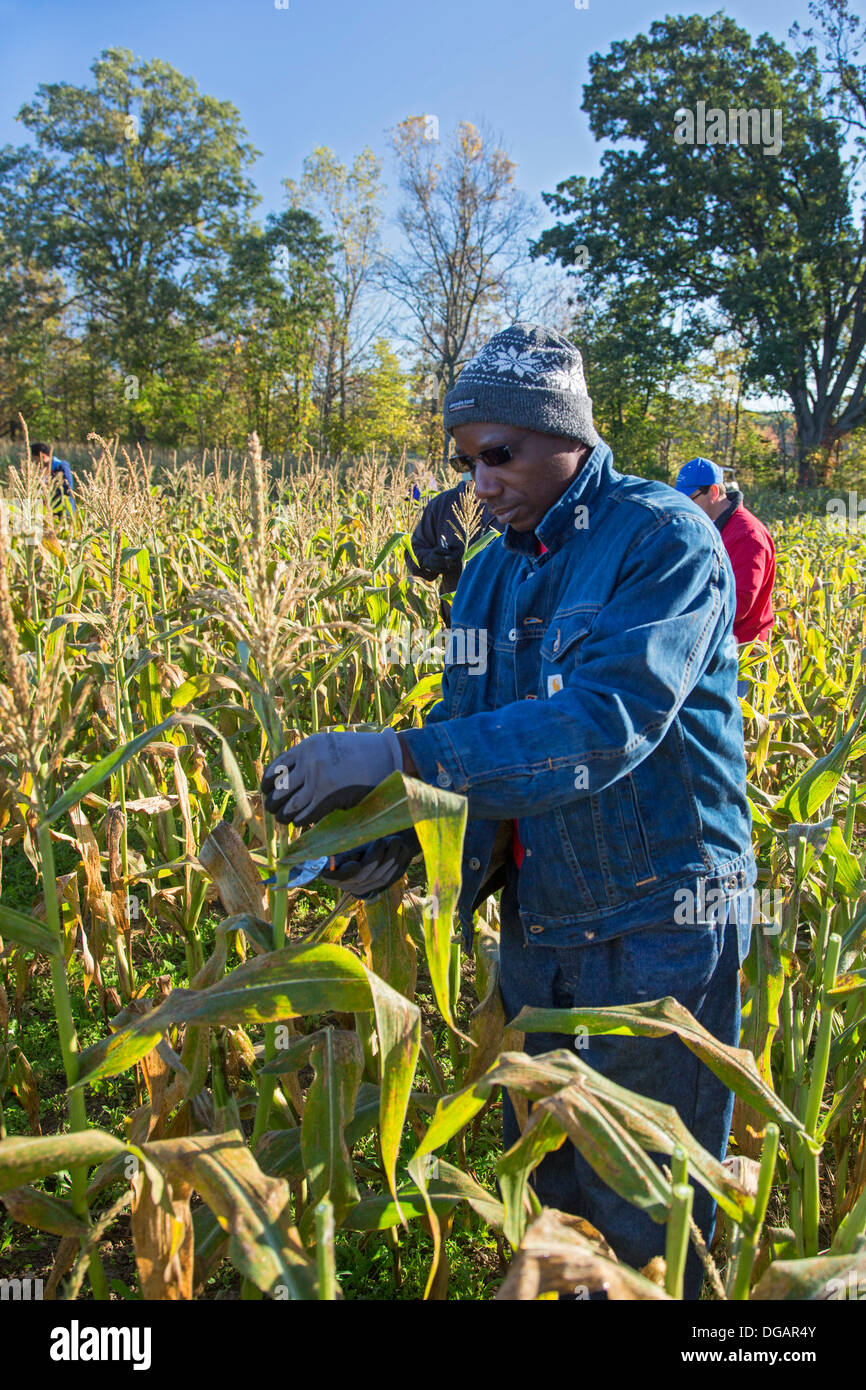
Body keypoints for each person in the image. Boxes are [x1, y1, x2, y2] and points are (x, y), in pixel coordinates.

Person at [261, 323, 756, 1299]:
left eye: (500, 453)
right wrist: (400, 837)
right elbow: (470, 730)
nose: (477, 481)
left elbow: (603, 724)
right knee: (547, 1191)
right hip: (540, 925)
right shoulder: (485, 577)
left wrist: (394, 751)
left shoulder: (661, 539)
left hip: (658, 924)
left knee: (645, 1218)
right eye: (463, 460)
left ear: (565, 435)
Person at [674, 457, 775, 697]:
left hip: (739, 654)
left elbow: (738, 603)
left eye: (690, 499)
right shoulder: (709, 526)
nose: (684, 506)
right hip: (714, 646)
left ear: (714, 491)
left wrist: (685, 616)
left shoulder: (747, 535)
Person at [405, 476, 502, 625]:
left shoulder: (512, 503)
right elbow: (414, 554)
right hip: (456, 622)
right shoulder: (443, 505)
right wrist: (431, 560)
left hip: (503, 625)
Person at [31, 441, 76, 518]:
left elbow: (68, 489)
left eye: (35, 459)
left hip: (62, 512)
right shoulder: (41, 470)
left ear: (43, 457)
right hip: (47, 511)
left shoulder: (61, 466)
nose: (35, 462)